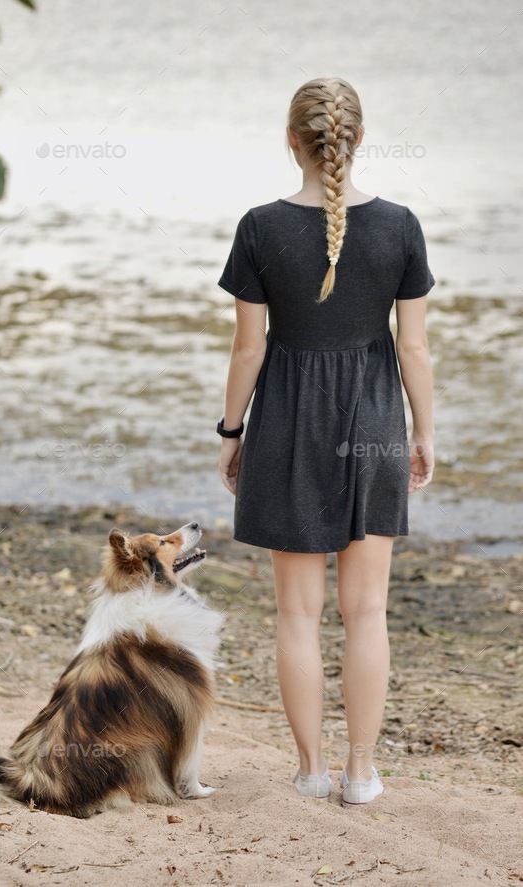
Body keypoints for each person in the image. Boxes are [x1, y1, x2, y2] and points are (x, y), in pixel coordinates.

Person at [216, 77, 435, 808]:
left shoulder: (258, 226)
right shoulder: (401, 225)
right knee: (367, 609)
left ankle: (310, 770)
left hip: (286, 423)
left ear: (292, 141)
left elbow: (248, 350)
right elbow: (414, 352)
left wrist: (231, 429)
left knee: (296, 614)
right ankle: (361, 772)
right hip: (375, 423)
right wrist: (423, 432)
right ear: (358, 141)